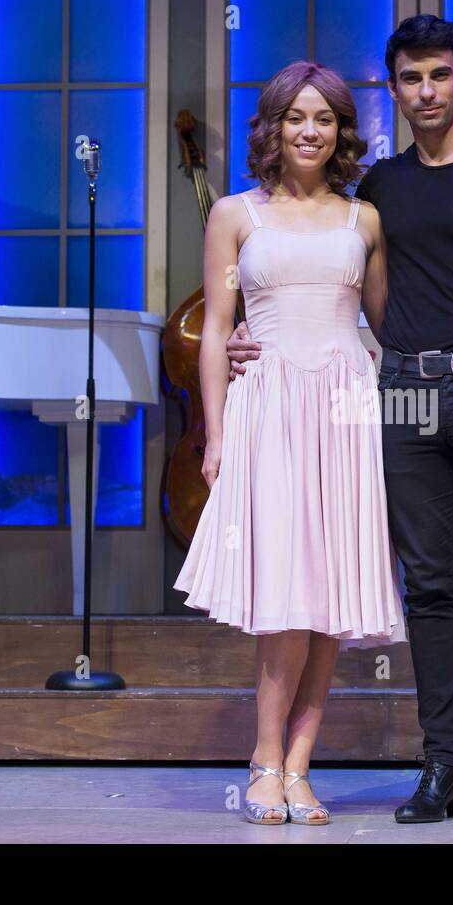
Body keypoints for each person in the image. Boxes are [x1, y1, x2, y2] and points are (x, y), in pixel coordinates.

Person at [227, 14, 453, 824]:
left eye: (439, 75)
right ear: (392, 87)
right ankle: (446, 769)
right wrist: (256, 333)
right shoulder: (379, 189)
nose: (426, 90)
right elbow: (336, 286)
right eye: (410, 77)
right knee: (426, 588)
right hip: (405, 396)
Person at [173, 60, 406, 826]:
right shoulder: (236, 214)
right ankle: (264, 759)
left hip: (344, 408)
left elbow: (384, 324)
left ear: (342, 132)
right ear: (272, 127)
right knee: (283, 596)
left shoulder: (361, 218)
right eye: (297, 117)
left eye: (327, 118)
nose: (312, 130)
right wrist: (215, 428)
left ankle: (301, 766)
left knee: (330, 595)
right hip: (268, 405)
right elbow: (214, 329)